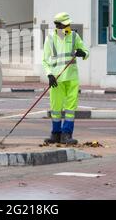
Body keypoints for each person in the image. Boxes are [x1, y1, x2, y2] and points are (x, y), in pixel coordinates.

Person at [42, 12, 89, 145]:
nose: (67, 26)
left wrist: (82, 53)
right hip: (56, 79)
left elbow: (86, 51)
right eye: (64, 25)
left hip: (72, 77)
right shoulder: (50, 39)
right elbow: (45, 60)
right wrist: (49, 75)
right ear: (57, 25)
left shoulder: (74, 36)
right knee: (55, 108)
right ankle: (55, 134)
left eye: (68, 24)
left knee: (70, 108)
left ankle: (66, 134)